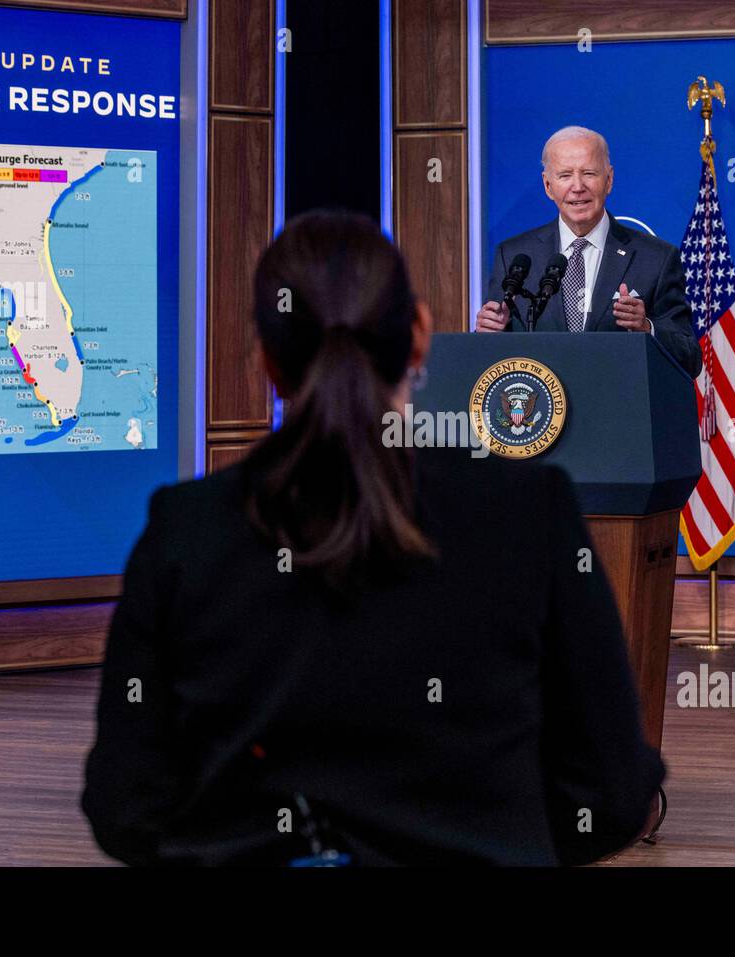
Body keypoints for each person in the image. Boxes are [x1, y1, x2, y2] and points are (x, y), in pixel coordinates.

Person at [82, 210, 664, 866]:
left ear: (266, 359)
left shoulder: (183, 529)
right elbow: (611, 797)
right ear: (419, 336)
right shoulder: (531, 512)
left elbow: (123, 808)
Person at [477, 125, 703, 378]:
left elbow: (690, 358)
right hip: (540, 412)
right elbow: (491, 360)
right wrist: (488, 333)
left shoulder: (656, 259)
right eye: (565, 175)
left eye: (589, 173)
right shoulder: (515, 256)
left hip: (621, 412)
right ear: (547, 185)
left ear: (609, 180)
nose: (578, 186)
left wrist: (646, 327)